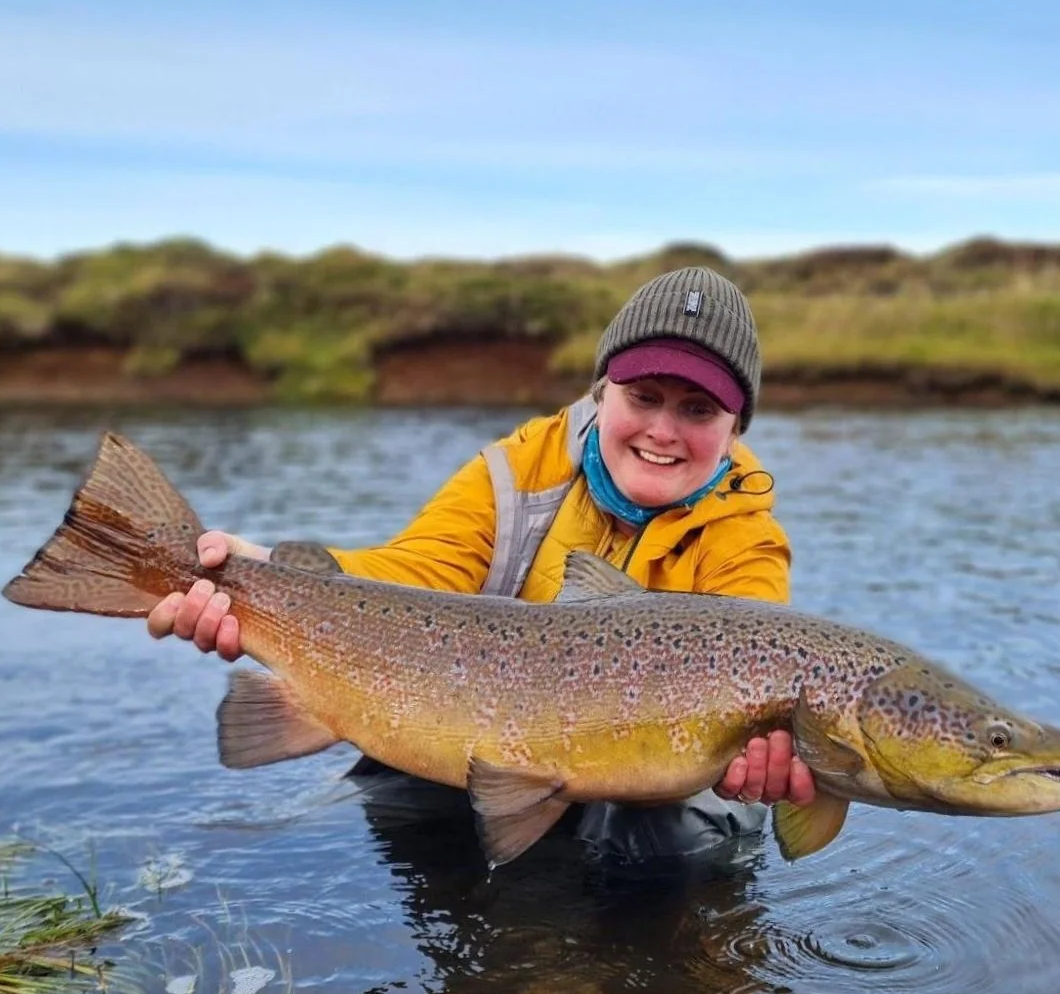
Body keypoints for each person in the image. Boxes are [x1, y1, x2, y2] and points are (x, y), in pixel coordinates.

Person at [147, 265, 817, 861]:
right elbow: (409, 575)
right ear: (600, 392)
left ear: (736, 427)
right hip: (482, 730)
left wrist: (765, 754)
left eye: (697, 409)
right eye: (643, 398)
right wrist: (256, 569)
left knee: (684, 845)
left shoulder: (745, 541)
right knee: (396, 789)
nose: (663, 431)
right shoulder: (514, 474)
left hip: (644, 782)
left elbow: (762, 687)